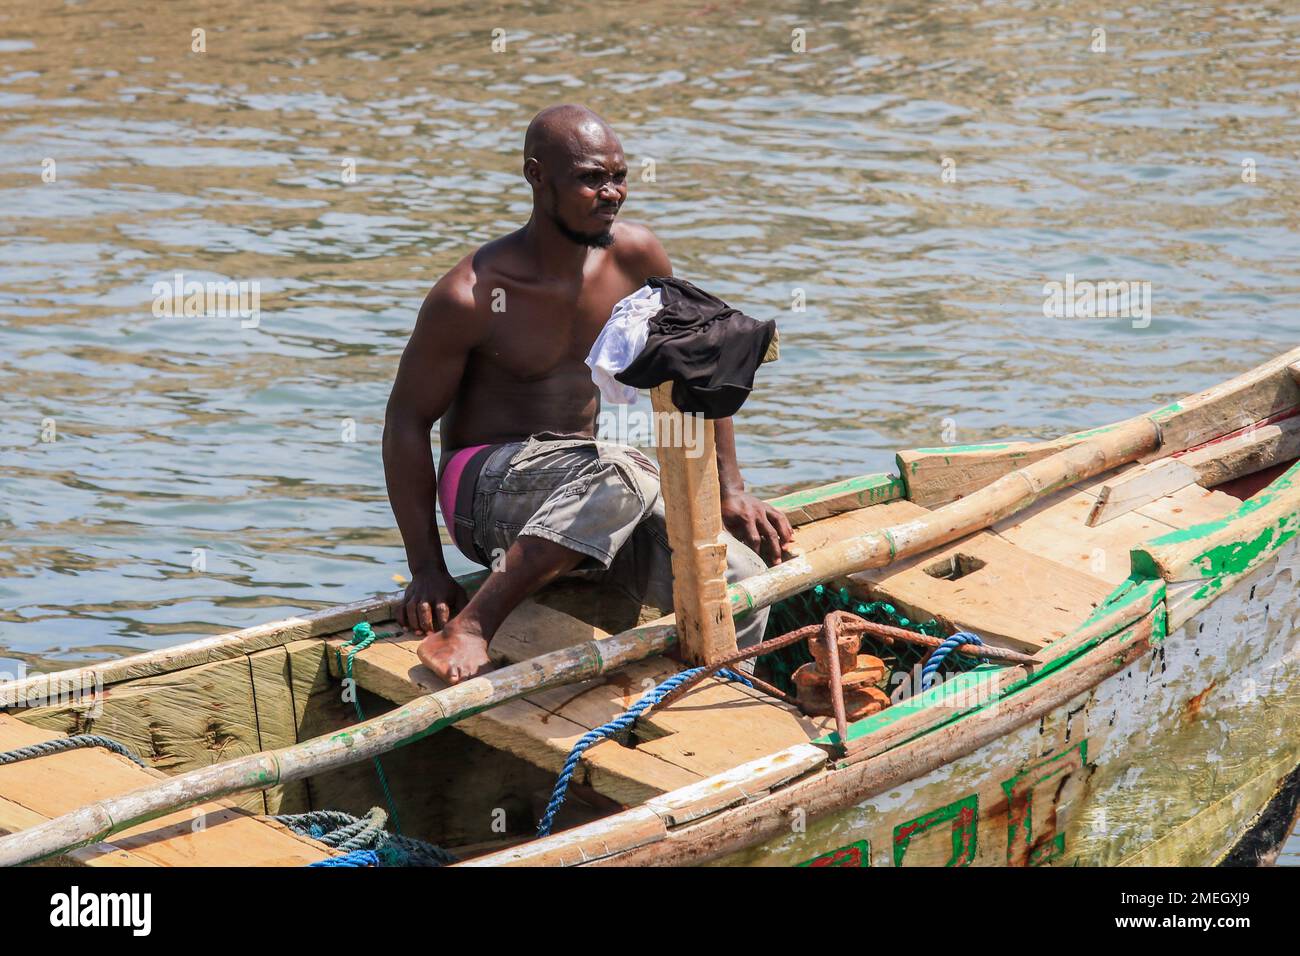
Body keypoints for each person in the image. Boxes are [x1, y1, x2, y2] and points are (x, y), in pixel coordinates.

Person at [382, 104, 794, 685]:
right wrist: (425, 567)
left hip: (595, 493)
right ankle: (471, 627)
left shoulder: (634, 257)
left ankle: (706, 698)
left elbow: (699, 361)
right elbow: (405, 422)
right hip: (485, 491)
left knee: (744, 581)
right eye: (590, 178)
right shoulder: (472, 293)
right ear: (536, 176)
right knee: (623, 465)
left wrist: (728, 490)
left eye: (619, 176)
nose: (611, 193)